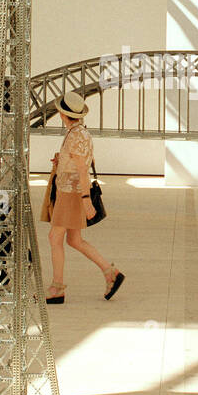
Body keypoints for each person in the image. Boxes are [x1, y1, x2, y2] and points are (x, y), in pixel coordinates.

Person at [44, 91, 123, 305]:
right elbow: (79, 162)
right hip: (69, 191)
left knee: (55, 238)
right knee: (74, 240)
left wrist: (86, 199)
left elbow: (82, 169)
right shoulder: (78, 132)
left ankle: (57, 287)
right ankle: (110, 272)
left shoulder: (77, 135)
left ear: (62, 114)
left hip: (71, 193)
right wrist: (61, 160)